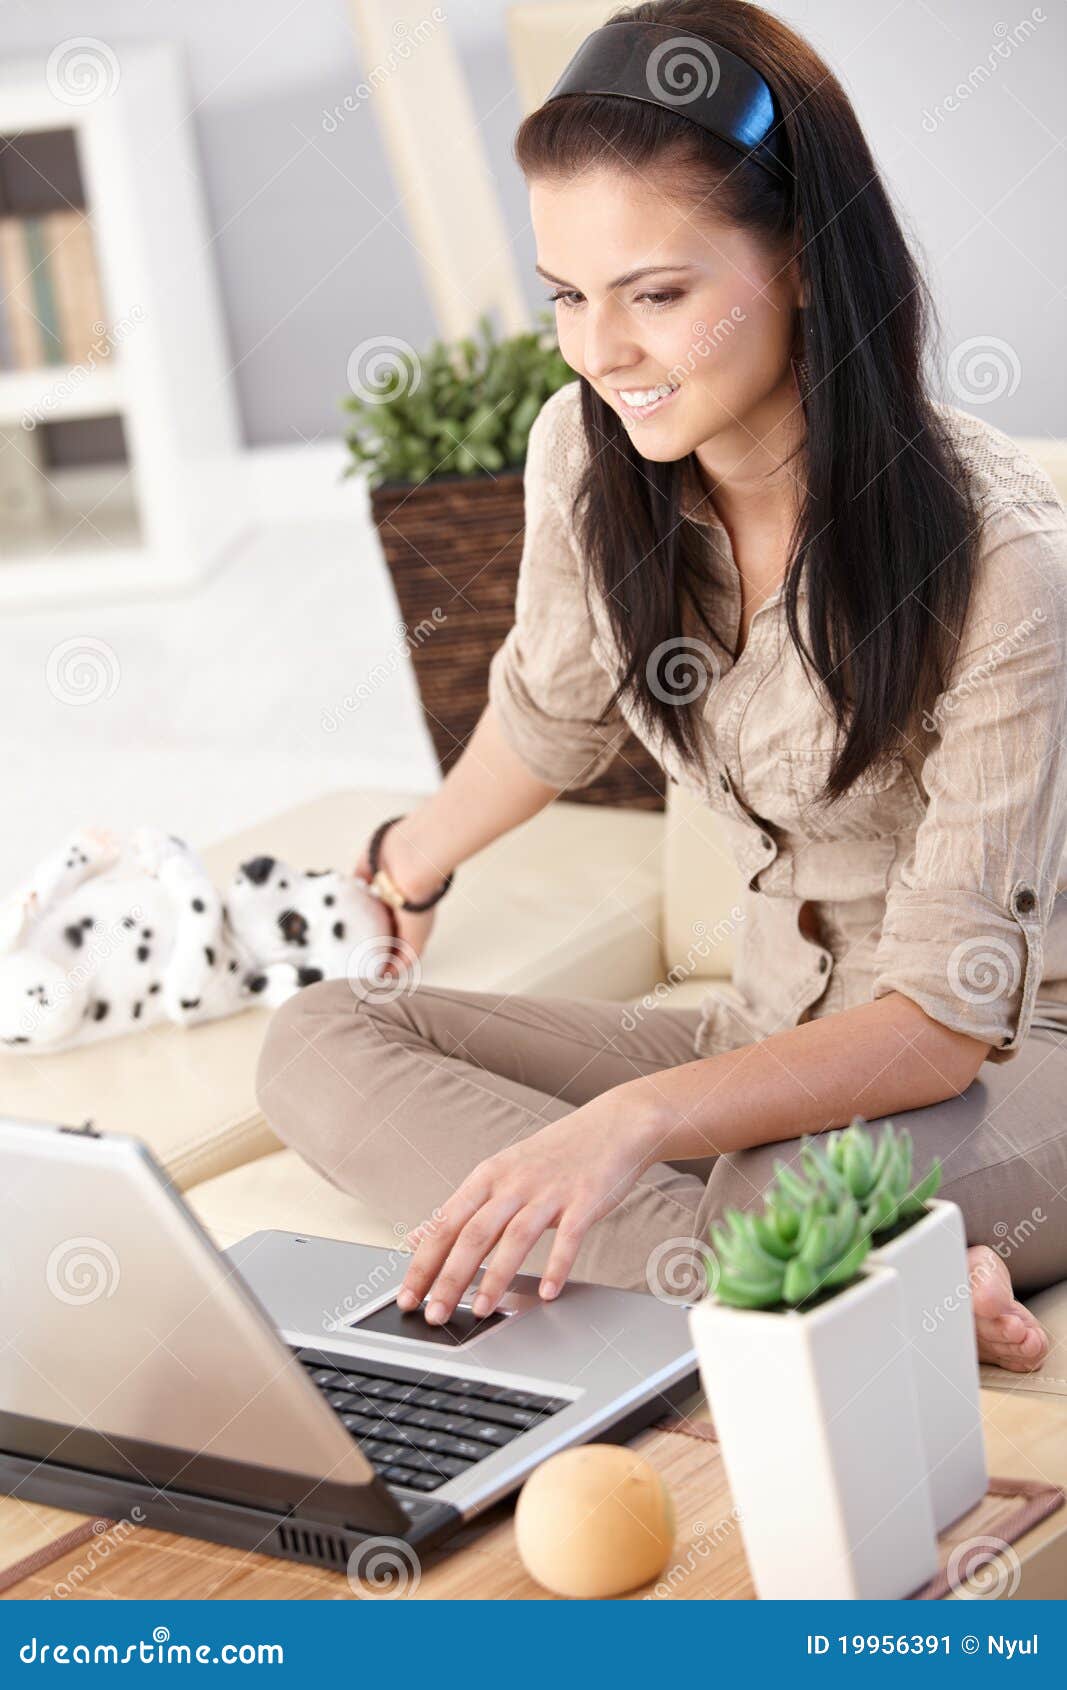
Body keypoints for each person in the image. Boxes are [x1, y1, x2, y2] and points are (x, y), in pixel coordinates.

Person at [256, 0, 1067, 1373]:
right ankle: (851, 1288)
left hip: (1003, 1055)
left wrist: (626, 1124)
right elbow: (549, 712)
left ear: (804, 260)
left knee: (763, 1190)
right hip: (758, 1029)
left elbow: (937, 1023)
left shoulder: (1002, 562)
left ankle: (813, 1269)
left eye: (658, 293)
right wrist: (408, 866)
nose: (601, 351)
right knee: (321, 1039)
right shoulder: (586, 452)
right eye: (568, 295)